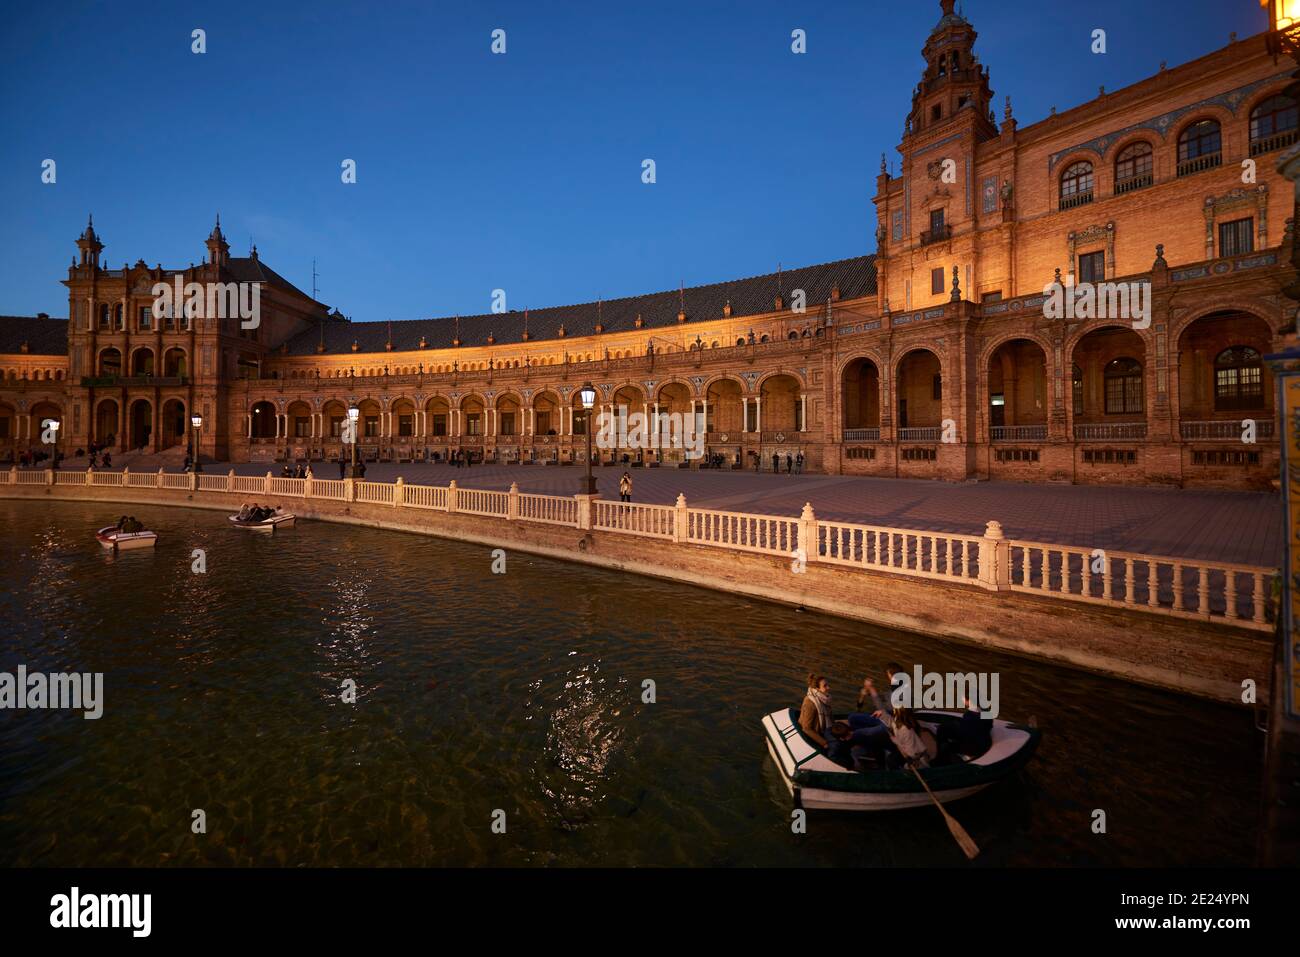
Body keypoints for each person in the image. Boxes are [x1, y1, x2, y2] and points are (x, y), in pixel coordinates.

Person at [938, 696, 993, 761]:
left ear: (970, 701)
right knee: (944, 729)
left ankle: (942, 761)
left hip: (976, 747)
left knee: (946, 746)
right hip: (984, 741)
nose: (962, 700)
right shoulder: (986, 712)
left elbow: (965, 732)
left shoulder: (970, 716)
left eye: (964, 699)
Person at [798, 673, 833, 748]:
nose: (828, 687)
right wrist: (824, 743)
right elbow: (806, 728)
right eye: (825, 686)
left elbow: (830, 716)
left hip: (825, 728)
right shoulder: (810, 703)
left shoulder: (825, 698)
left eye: (827, 684)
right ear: (817, 689)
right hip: (817, 733)